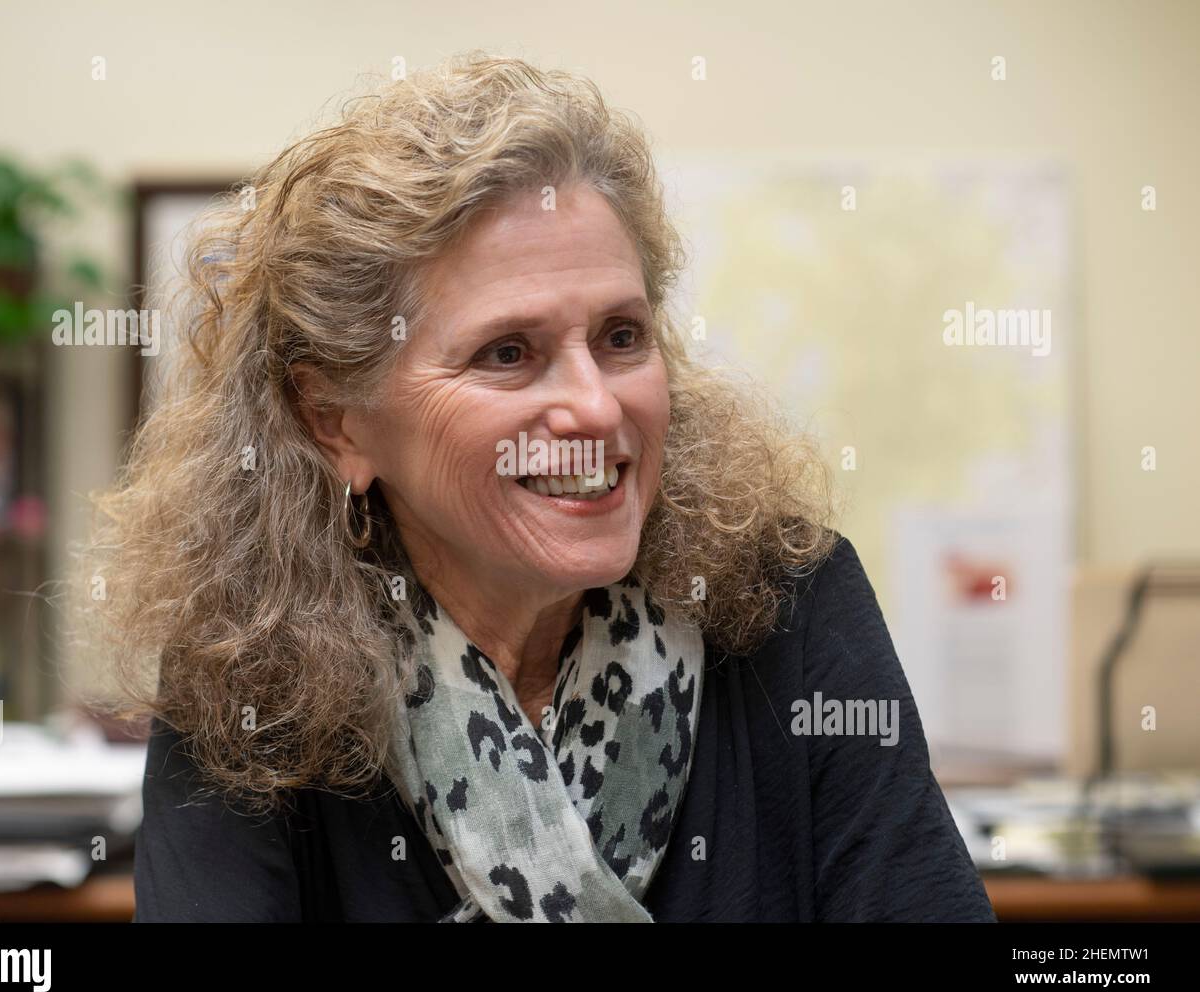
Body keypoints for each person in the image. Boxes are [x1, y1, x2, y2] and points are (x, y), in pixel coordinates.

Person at [79, 51, 996, 923]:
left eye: (621, 337)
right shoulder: (248, 677)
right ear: (337, 422)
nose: (596, 407)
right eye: (508, 353)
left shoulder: (789, 607)